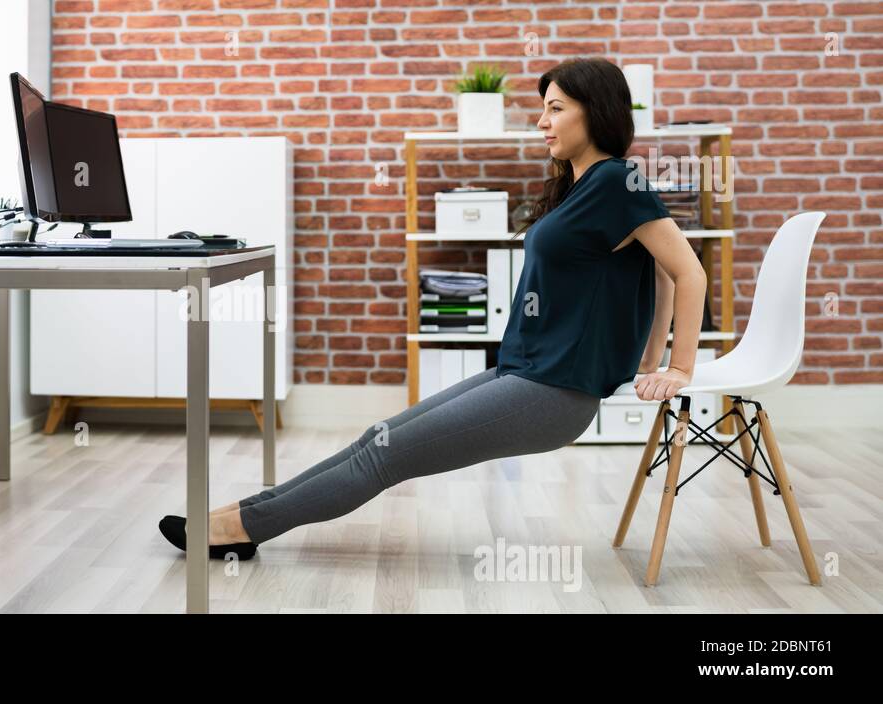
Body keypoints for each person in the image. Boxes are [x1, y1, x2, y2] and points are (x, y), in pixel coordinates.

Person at [158, 57, 708, 560]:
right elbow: (655, 272)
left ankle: (240, 529)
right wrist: (645, 356)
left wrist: (675, 367)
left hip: (554, 393)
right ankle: (240, 516)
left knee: (384, 458)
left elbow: (685, 271)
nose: (542, 121)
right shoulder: (579, 187)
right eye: (542, 109)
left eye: (556, 108)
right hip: (522, 372)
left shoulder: (618, 180)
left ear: (598, 112)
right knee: (376, 439)